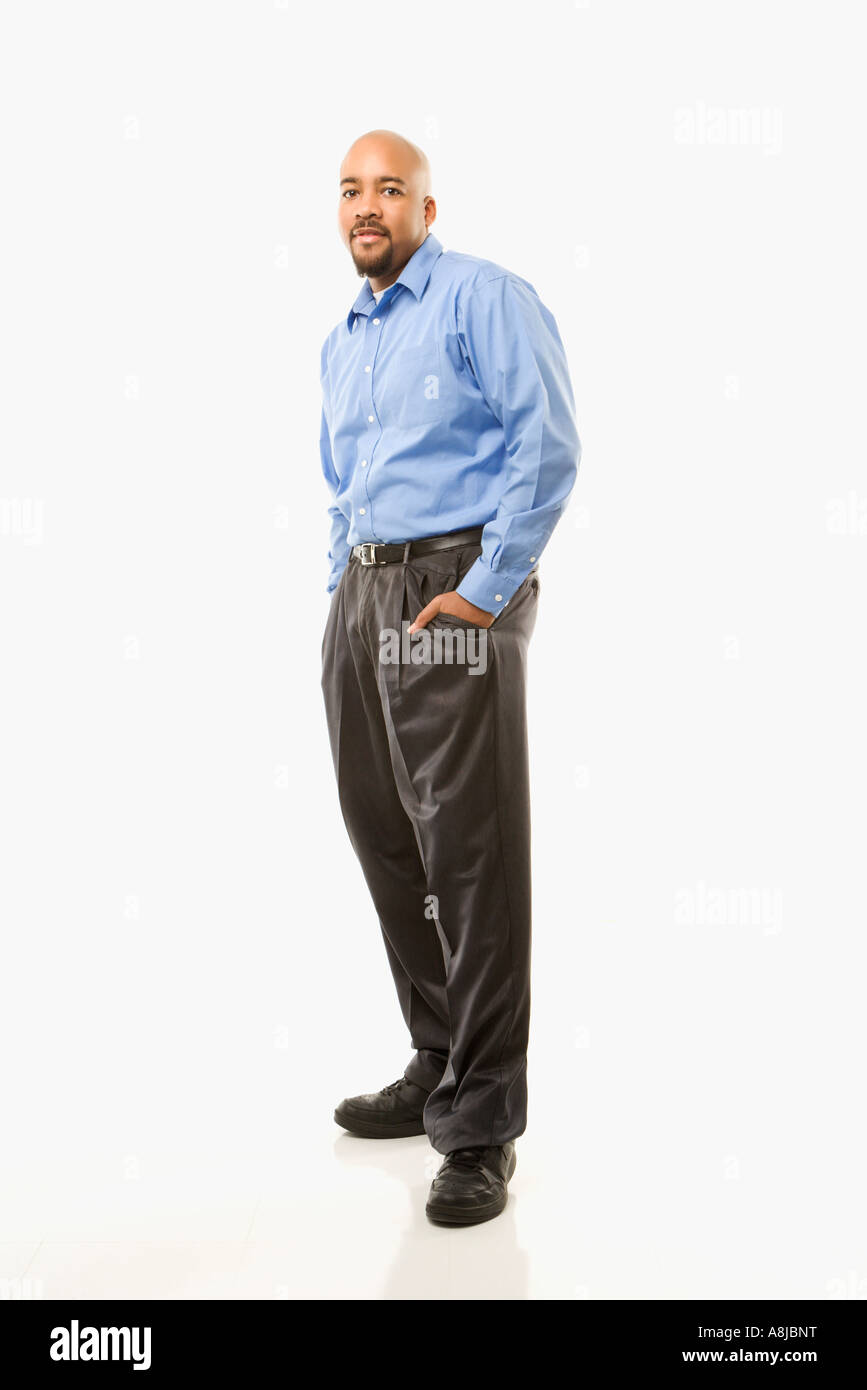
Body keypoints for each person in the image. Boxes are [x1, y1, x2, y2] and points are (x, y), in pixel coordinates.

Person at [319, 128, 581, 1226]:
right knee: (388, 838)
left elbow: (547, 444)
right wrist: (341, 588)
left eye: (390, 189)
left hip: (449, 588)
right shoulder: (342, 340)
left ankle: (480, 1129)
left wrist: (481, 589)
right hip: (366, 593)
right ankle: (439, 1057)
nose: (367, 206)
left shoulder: (485, 298)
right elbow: (342, 480)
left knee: (467, 855)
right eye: (350, 190)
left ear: (429, 207)